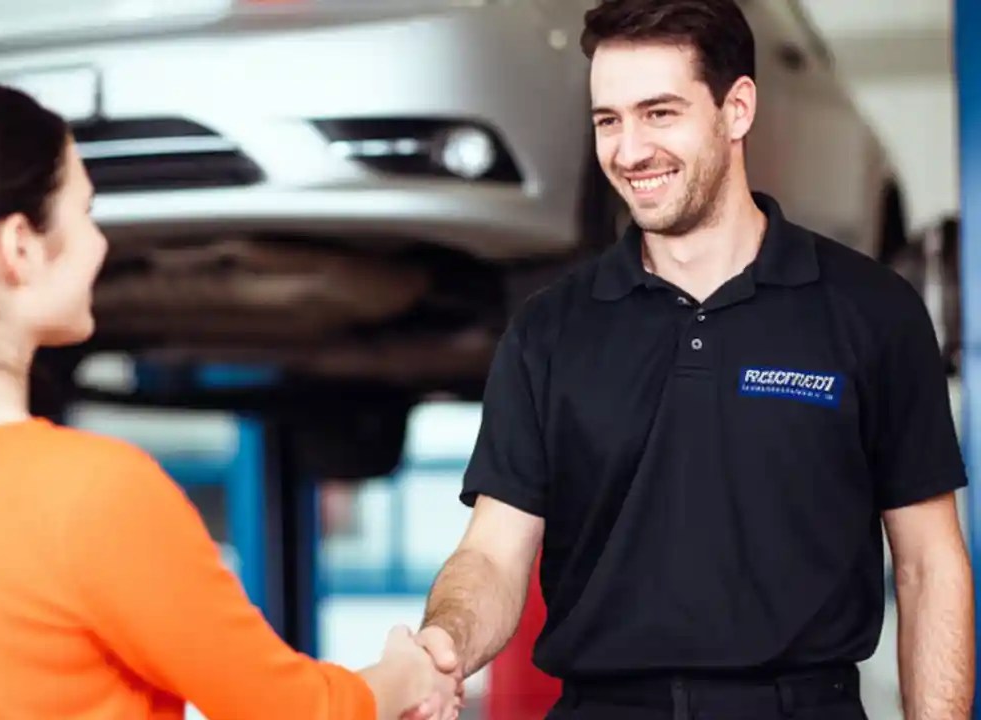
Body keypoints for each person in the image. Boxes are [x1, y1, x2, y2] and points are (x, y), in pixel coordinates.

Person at [0, 79, 461, 720]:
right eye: (84, 213)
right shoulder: (93, 493)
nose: (100, 243)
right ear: (19, 247)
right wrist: (406, 673)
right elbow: (298, 710)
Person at [411, 0, 975, 718]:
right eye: (608, 120)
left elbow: (929, 565)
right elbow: (492, 554)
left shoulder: (872, 312)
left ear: (736, 109)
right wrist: (446, 641)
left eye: (659, 113)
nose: (629, 149)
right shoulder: (550, 331)